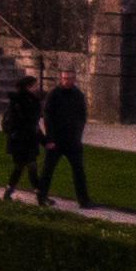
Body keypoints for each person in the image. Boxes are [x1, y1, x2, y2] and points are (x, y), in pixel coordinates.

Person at [36, 75, 92, 207]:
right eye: (65, 78)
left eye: (69, 78)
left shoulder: (78, 95)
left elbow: (82, 116)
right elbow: (48, 116)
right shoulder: (54, 94)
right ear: (61, 79)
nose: (67, 81)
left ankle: (83, 200)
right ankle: (41, 196)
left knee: (79, 170)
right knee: (48, 169)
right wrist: (50, 138)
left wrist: (78, 134)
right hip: (56, 139)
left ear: (74, 80)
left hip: (72, 140)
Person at [3, 74, 44, 197]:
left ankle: (38, 193)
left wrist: (43, 140)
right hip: (19, 140)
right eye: (34, 86)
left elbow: (34, 125)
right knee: (22, 166)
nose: (37, 88)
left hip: (29, 140)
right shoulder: (17, 103)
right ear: (28, 87)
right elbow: (13, 123)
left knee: (29, 166)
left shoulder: (33, 102)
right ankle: (38, 194)